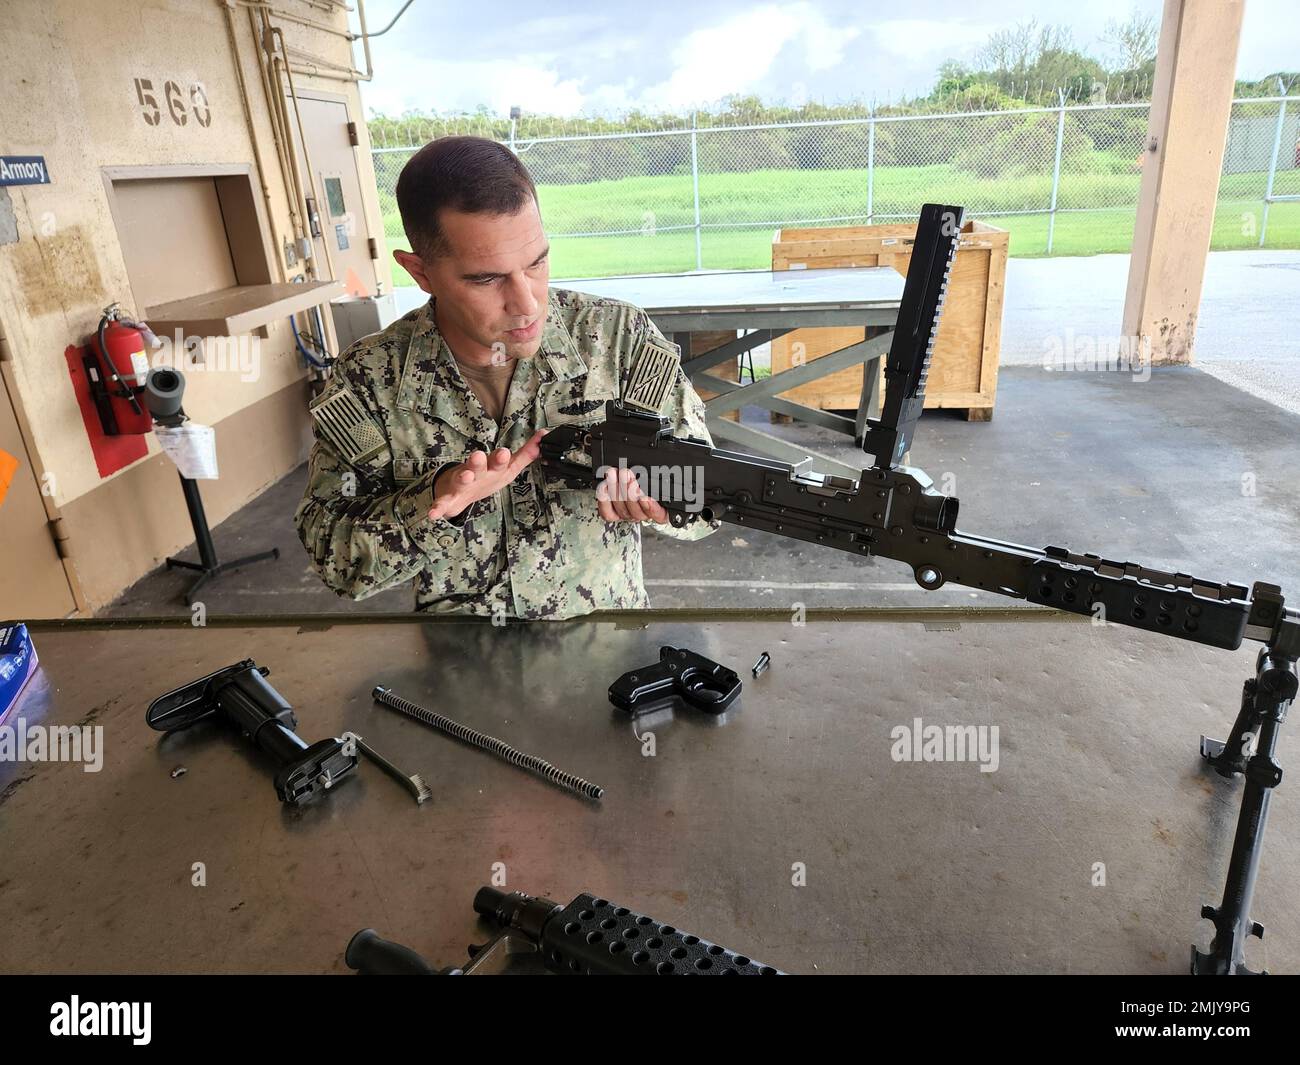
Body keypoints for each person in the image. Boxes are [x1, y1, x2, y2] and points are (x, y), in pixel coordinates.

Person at [294, 135, 715, 619]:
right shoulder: (370, 381)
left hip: (606, 642)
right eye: (486, 278)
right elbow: (335, 558)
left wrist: (666, 501)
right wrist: (433, 503)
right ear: (420, 271)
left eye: (536, 262)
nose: (527, 303)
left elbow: (708, 497)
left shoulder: (620, 339)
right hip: (460, 659)